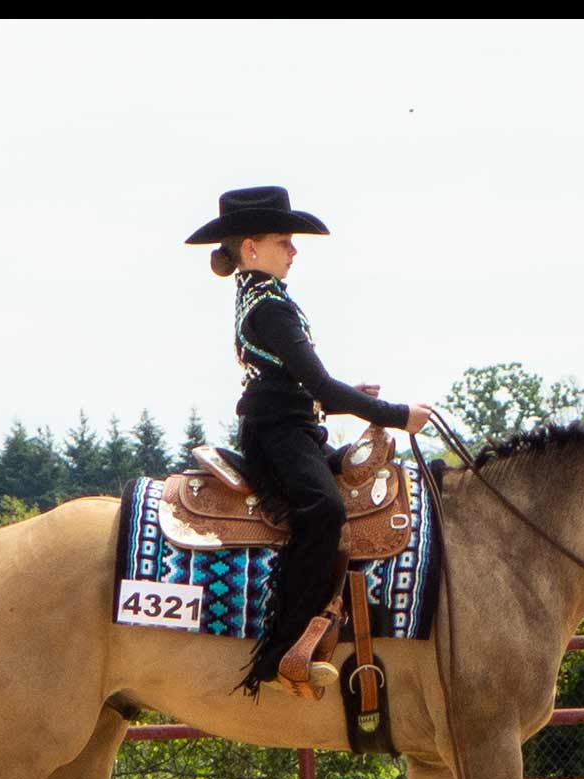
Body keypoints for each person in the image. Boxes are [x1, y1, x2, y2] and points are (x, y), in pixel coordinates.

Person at [186, 186, 434, 698]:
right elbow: (319, 384)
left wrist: (344, 398)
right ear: (251, 248)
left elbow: (299, 381)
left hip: (292, 427)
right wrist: (396, 415)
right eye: (284, 241)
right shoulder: (270, 308)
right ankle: (282, 653)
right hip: (279, 434)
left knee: (342, 481)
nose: (294, 251)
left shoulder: (263, 299)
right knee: (322, 511)